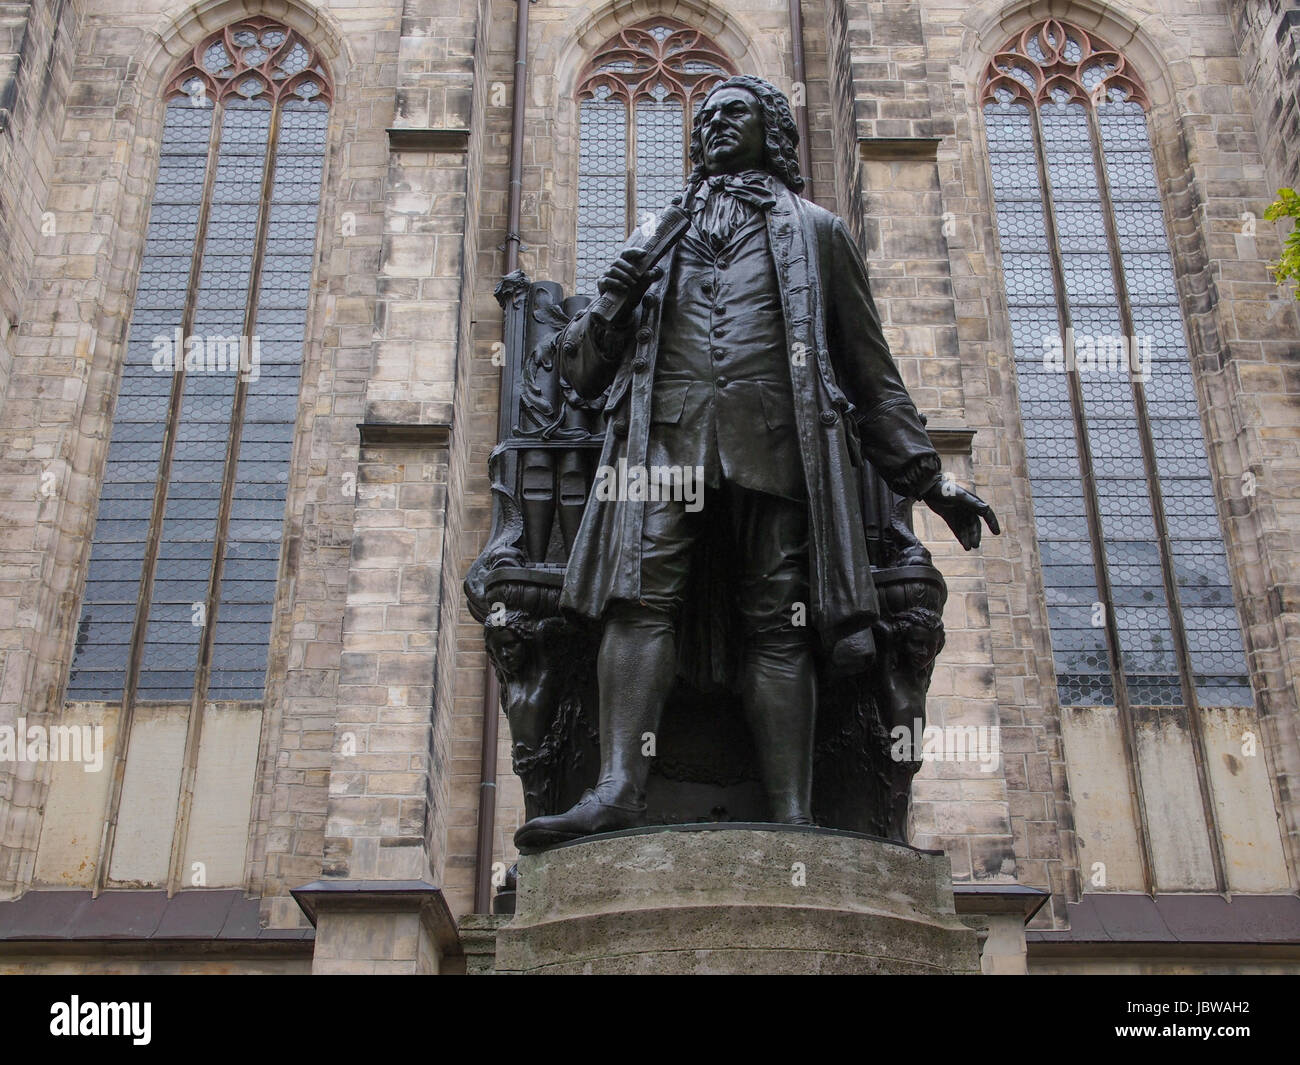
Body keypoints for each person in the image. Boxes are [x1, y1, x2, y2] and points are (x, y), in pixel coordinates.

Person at [513, 75, 998, 847]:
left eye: (729, 114)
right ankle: (616, 790)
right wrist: (611, 302)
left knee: (783, 619)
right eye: (701, 119)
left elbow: (871, 375)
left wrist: (931, 481)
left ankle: (794, 815)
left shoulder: (818, 232)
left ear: (772, 130)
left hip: (779, 448)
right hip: (660, 448)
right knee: (637, 602)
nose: (709, 127)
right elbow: (579, 374)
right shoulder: (652, 232)